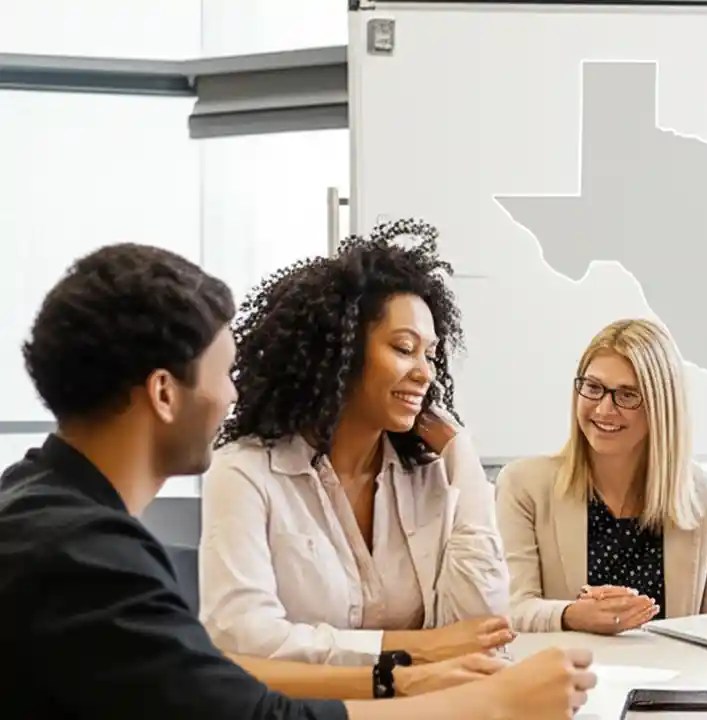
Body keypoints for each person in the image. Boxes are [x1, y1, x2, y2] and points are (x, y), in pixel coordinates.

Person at [0, 243, 595, 719]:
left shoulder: (49, 512)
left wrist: (401, 675)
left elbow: (215, 672)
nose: (234, 394)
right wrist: (483, 703)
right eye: (224, 372)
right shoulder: (85, 557)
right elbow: (248, 698)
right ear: (163, 392)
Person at [200, 220, 512, 667]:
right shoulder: (245, 472)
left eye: (431, 353)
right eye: (404, 348)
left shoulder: (429, 474)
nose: (426, 372)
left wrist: (461, 451)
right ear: (340, 352)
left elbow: (480, 630)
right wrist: (412, 649)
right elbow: (244, 638)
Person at [496, 319, 707, 633]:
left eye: (627, 395)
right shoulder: (524, 485)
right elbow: (510, 609)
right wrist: (571, 614)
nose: (603, 410)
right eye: (593, 388)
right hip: (567, 677)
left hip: (677, 679)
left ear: (661, 407)